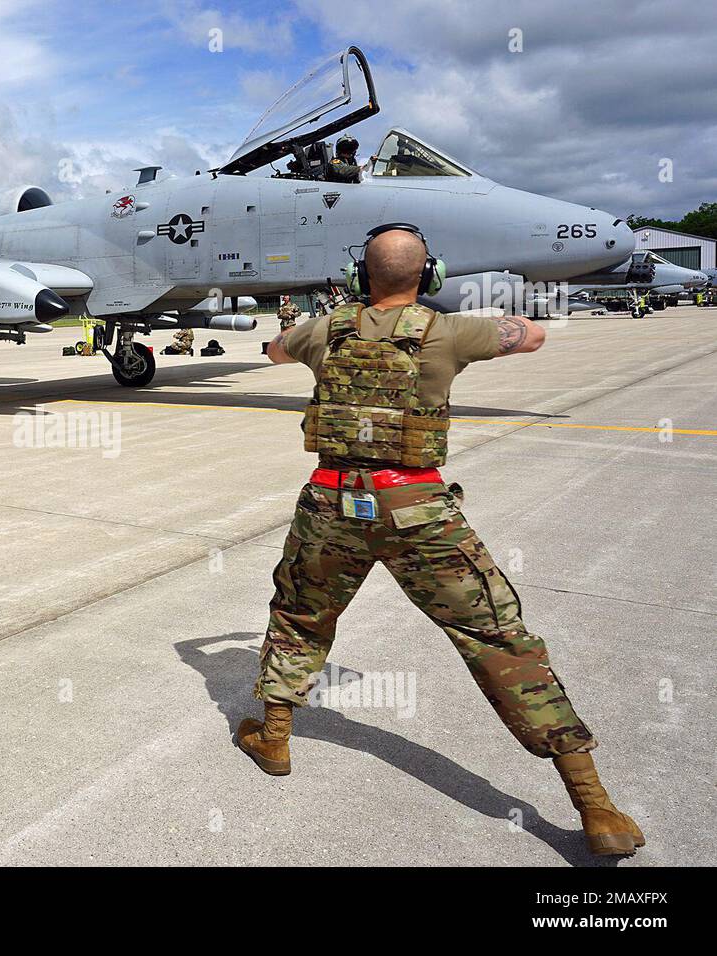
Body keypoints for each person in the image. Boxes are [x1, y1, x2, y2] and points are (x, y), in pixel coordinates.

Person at [238, 224, 645, 858]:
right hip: (418, 509)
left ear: (358, 276)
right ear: (429, 276)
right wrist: (468, 321)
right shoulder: (447, 331)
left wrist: (323, 327)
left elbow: (272, 351)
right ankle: (595, 805)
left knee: (299, 617)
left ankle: (275, 738)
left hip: (331, 502)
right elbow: (532, 336)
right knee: (496, 637)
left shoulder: (324, 329)